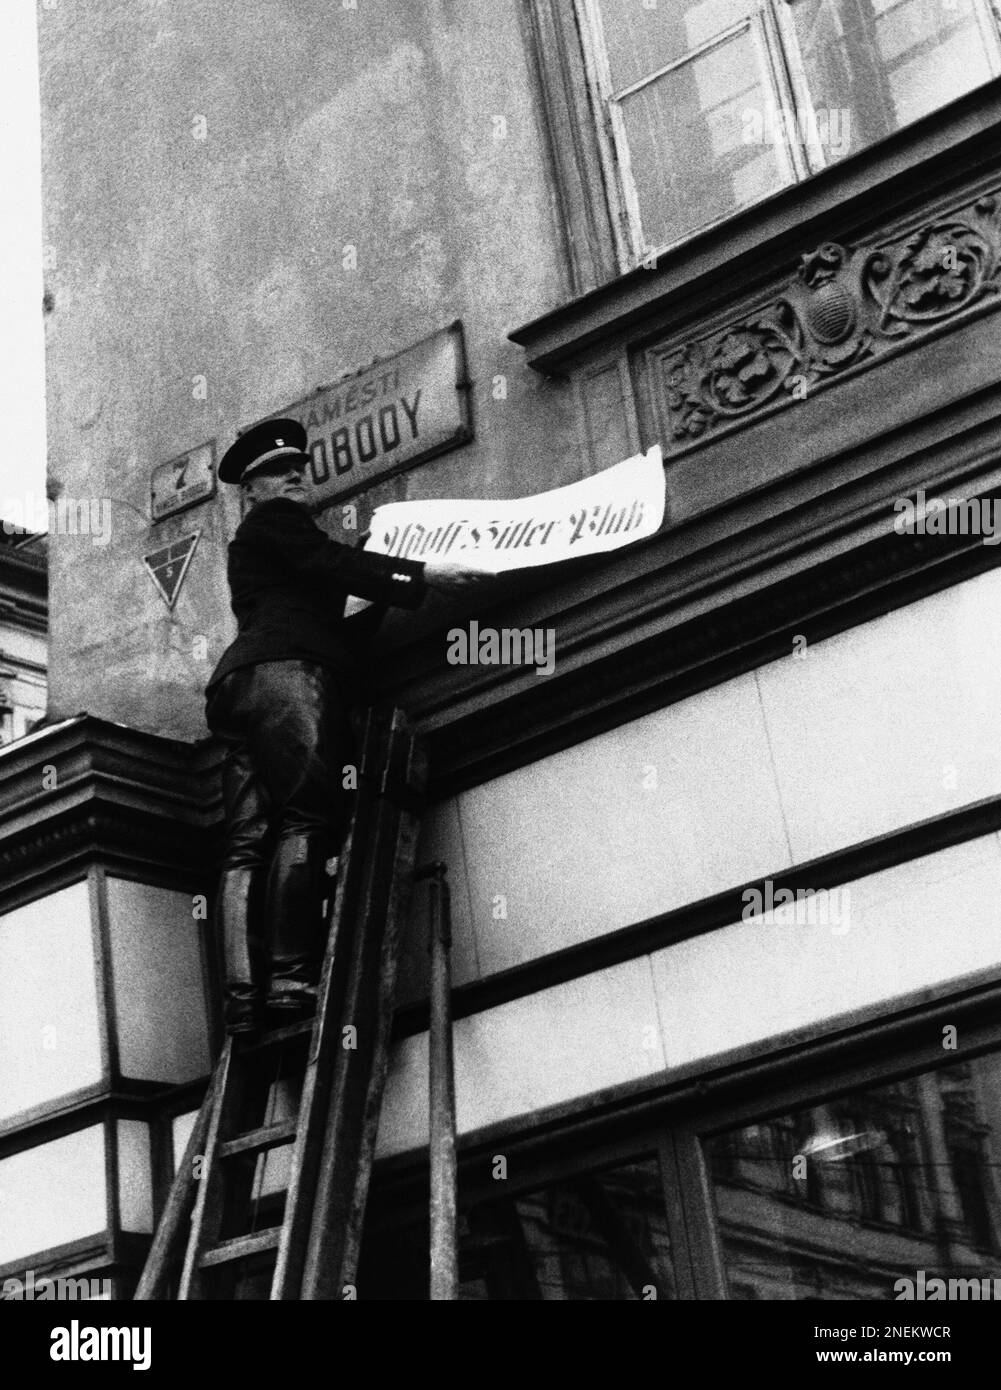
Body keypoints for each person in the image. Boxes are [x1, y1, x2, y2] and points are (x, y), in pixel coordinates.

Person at [205, 418, 483, 1035]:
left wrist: (376, 584)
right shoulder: (276, 521)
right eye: (278, 471)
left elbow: (328, 607)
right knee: (306, 818)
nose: (296, 474)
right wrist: (423, 575)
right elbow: (327, 565)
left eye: (299, 465)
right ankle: (290, 978)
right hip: (286, 678)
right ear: (250, 490)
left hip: (241, 685)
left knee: (248, 840)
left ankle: (244, 995)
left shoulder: (267, 547)